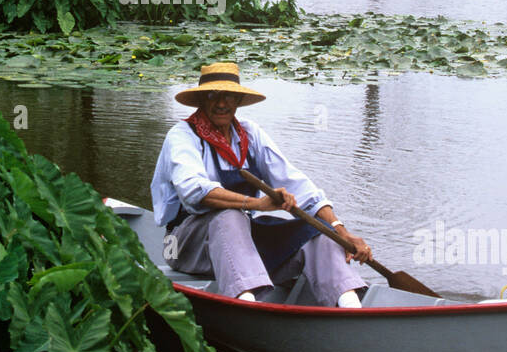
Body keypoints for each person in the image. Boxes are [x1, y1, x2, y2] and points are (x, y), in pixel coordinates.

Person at [151, 61, 373, 306]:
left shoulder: (249, 134)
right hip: (181, 245)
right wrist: (258, 203)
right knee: (230, 216)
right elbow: (195, 191)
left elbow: (298, 184)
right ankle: (248, 305)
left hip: (235, 240)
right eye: (214, 95)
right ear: (202, 100)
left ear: (238, 101)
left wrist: (340, 230)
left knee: (318, 230)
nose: (222, 103)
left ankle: (349, 304)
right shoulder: (182, 136)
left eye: (229, 96)